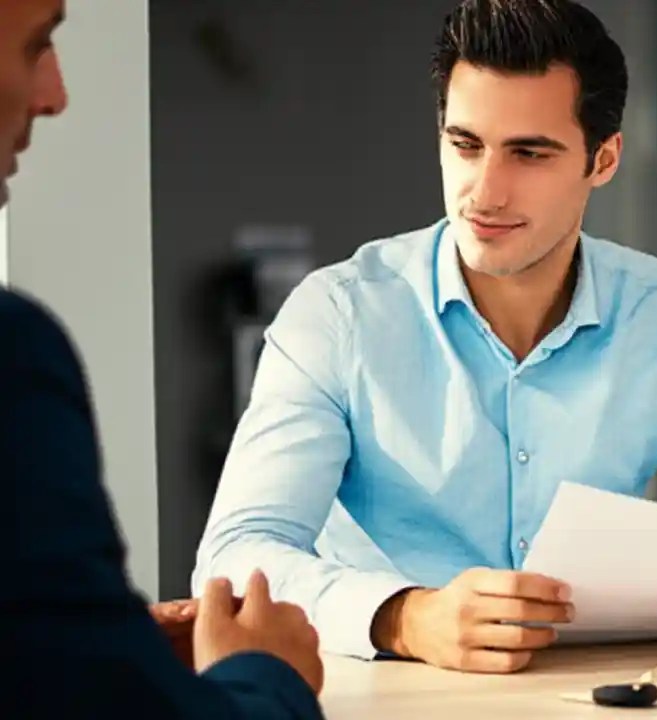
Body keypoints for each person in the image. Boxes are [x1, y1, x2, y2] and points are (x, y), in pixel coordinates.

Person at [194, 0, 657, 674]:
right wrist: (405, 615)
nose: (485, 192)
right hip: (391, 695)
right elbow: (236, 558)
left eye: (529, 153)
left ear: (603, 160)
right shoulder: (336, 317)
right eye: (465, 144)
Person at [0, 1, 326, 716]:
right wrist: (269, 676)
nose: (56, 95)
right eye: (35, 47)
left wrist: (107, 646)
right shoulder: (13, 355)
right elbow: (242, 551)